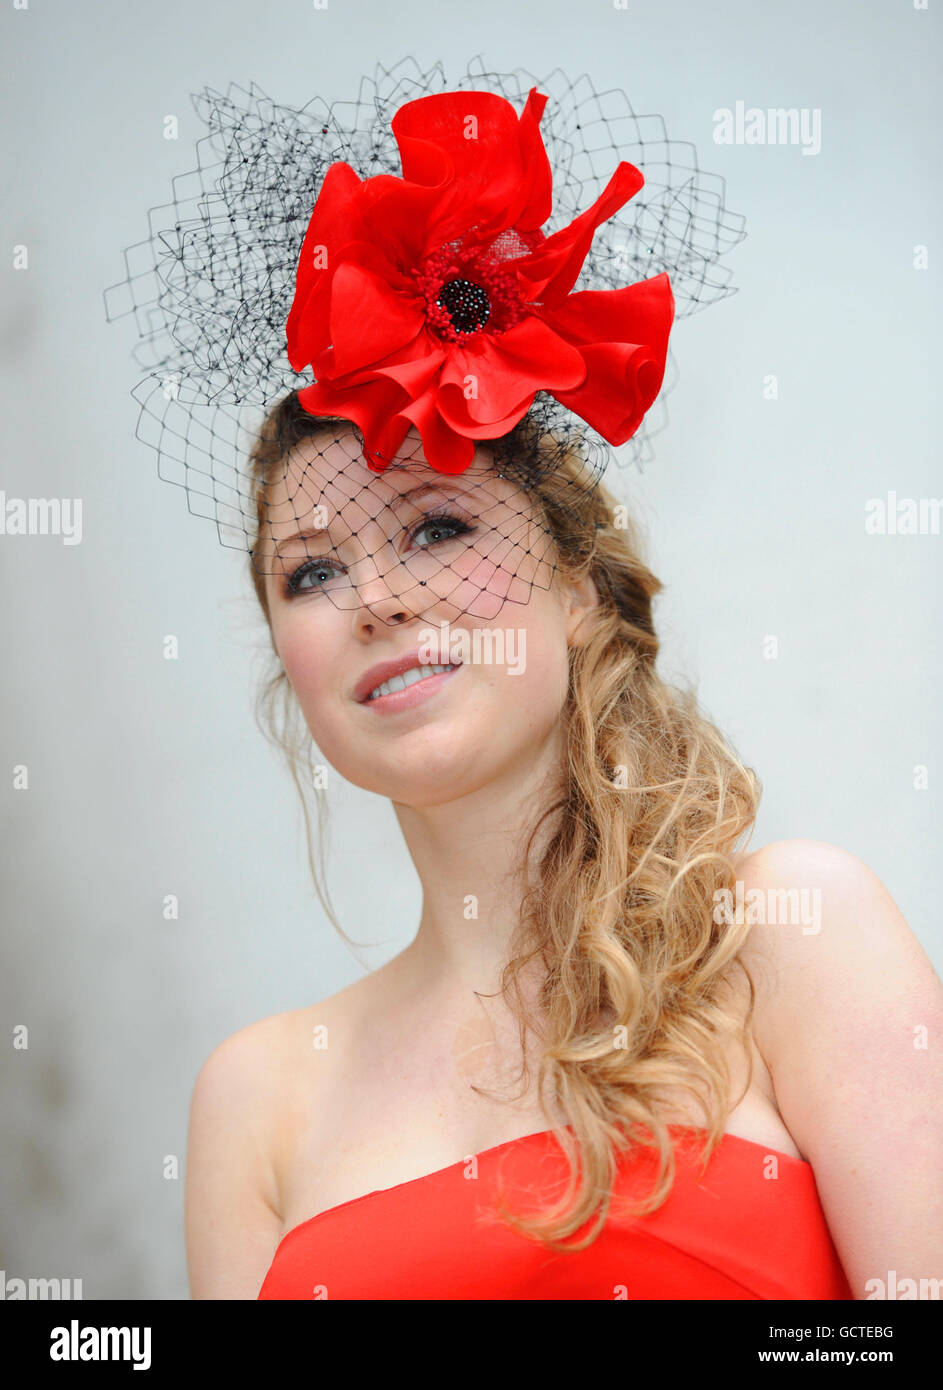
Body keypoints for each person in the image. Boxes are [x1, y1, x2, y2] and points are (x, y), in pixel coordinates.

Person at [103, 61, 942, 1300]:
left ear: (581, 589)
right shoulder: (256, 1096)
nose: (378, 597)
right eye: (314, 571)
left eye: (436, 527)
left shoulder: (790, 941)